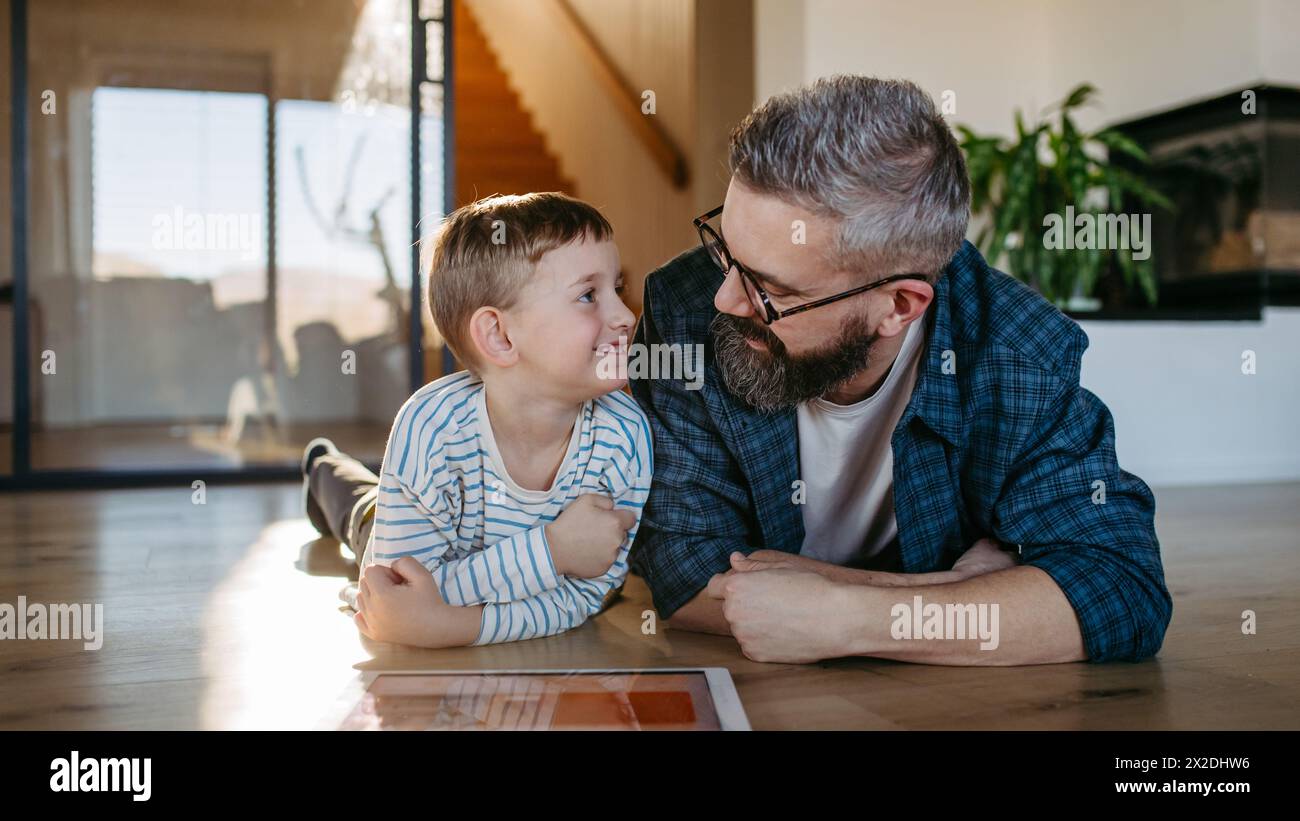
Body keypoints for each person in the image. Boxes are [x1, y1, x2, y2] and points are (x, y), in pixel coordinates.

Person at [628, 76, 1172, 665]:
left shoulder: (1016, 352)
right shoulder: (682, 311)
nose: (725, 300)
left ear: (899, 306)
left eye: (770, 289)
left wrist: (844, 617)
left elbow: (1120, 589)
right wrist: (952, 593)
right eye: (725, 251)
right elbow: (680, 570)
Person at [303, 192, 653, 648]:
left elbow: (586, 596)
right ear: (500, 335)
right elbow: (398, 594)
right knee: (362, 512)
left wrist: (447, 625)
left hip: (455, 560)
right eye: (588, 295)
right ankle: (322, 465)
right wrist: (554, 552)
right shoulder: (431, 429)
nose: (626, 316)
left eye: (618, 288)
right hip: (396, 532)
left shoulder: (626, 436)